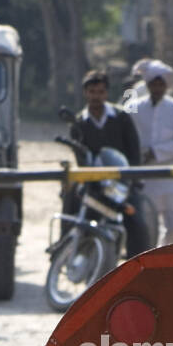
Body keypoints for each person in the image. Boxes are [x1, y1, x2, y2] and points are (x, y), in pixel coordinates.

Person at [70, 69, 151, 255]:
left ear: (106, 93)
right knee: (72, 207)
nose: (96, 97)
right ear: (85, 93)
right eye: (91, 92)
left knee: (137, 221)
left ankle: (137, 263)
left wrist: (133, 180)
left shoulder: (122, 118)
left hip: (122, 183)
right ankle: (69, 253)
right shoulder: (79, 124)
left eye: (100, 92)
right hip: (94, 183)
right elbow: (80, 158)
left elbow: (134, 151)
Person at [127, 60, 173, 244]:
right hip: (145, 177)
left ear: (166, 85)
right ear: (147, 84)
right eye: (153, 83)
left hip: (171, 177)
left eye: (161, 83)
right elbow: (127, 134)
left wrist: (156, 152)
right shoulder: (135, 108)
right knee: (147, 225)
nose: (157, 87)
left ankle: (166, 253)